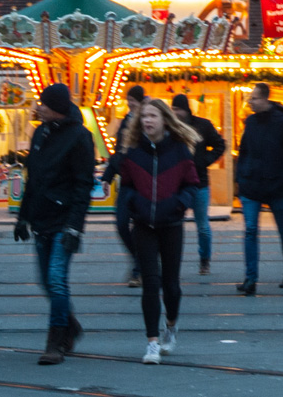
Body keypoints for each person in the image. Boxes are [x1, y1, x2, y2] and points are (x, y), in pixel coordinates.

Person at [114, 97, 201, 364]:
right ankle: (152, 342)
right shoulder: (133, 152)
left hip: (171, 225)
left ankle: (171, 326)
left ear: (164, 120)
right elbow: (126, 186)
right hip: (144, 225)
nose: (147, 121)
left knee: (171, 286)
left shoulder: (179, 151)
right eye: (144, 117)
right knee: (150, 284)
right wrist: (132, 202)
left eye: (152, 116)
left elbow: (192, 185)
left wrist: (179, 204)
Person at [14, 83, 95, 365]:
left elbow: (83, 185)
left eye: (44, 104)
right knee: (46, 280)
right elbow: (32, 178)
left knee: (57, 280)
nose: (39, 106)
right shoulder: (40, 133)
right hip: (41, 217)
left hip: (64, 219)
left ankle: (57, 340)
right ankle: (70, 326)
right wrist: (23, 216)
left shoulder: (79, 137)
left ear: (56, 108)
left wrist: (75, 225)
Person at [234, 83, 283, 294]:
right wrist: (242, 177)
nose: (250, 101)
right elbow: (244, 150)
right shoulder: (251, 122)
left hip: (276, 186)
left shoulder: (282, 123)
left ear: (264, 99)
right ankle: (250, 278)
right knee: (251, 231)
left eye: (253, 98)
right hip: (252, 186)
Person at [170, 94, 226, 274]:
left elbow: (220, 144)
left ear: (186, 109)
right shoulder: (171, 128)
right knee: (174, 224)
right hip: (177, 184)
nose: (175, 113)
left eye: (177, 109)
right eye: (173, 109)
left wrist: (205, 160)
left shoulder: (203, 125)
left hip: (199, 182)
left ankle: (204, 259)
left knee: (202, 225)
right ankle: (173, 258)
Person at [102, 86, 146, 286]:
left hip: (142, 185)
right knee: (121, 224)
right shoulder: (126, 122)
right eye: (128, 103)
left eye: (133, 103)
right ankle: (140, 258)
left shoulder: (148, 121)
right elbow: (119, 151)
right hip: (126, 183)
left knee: (139, 227)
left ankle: (138, 270)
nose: (130, 106)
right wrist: (108, 176)